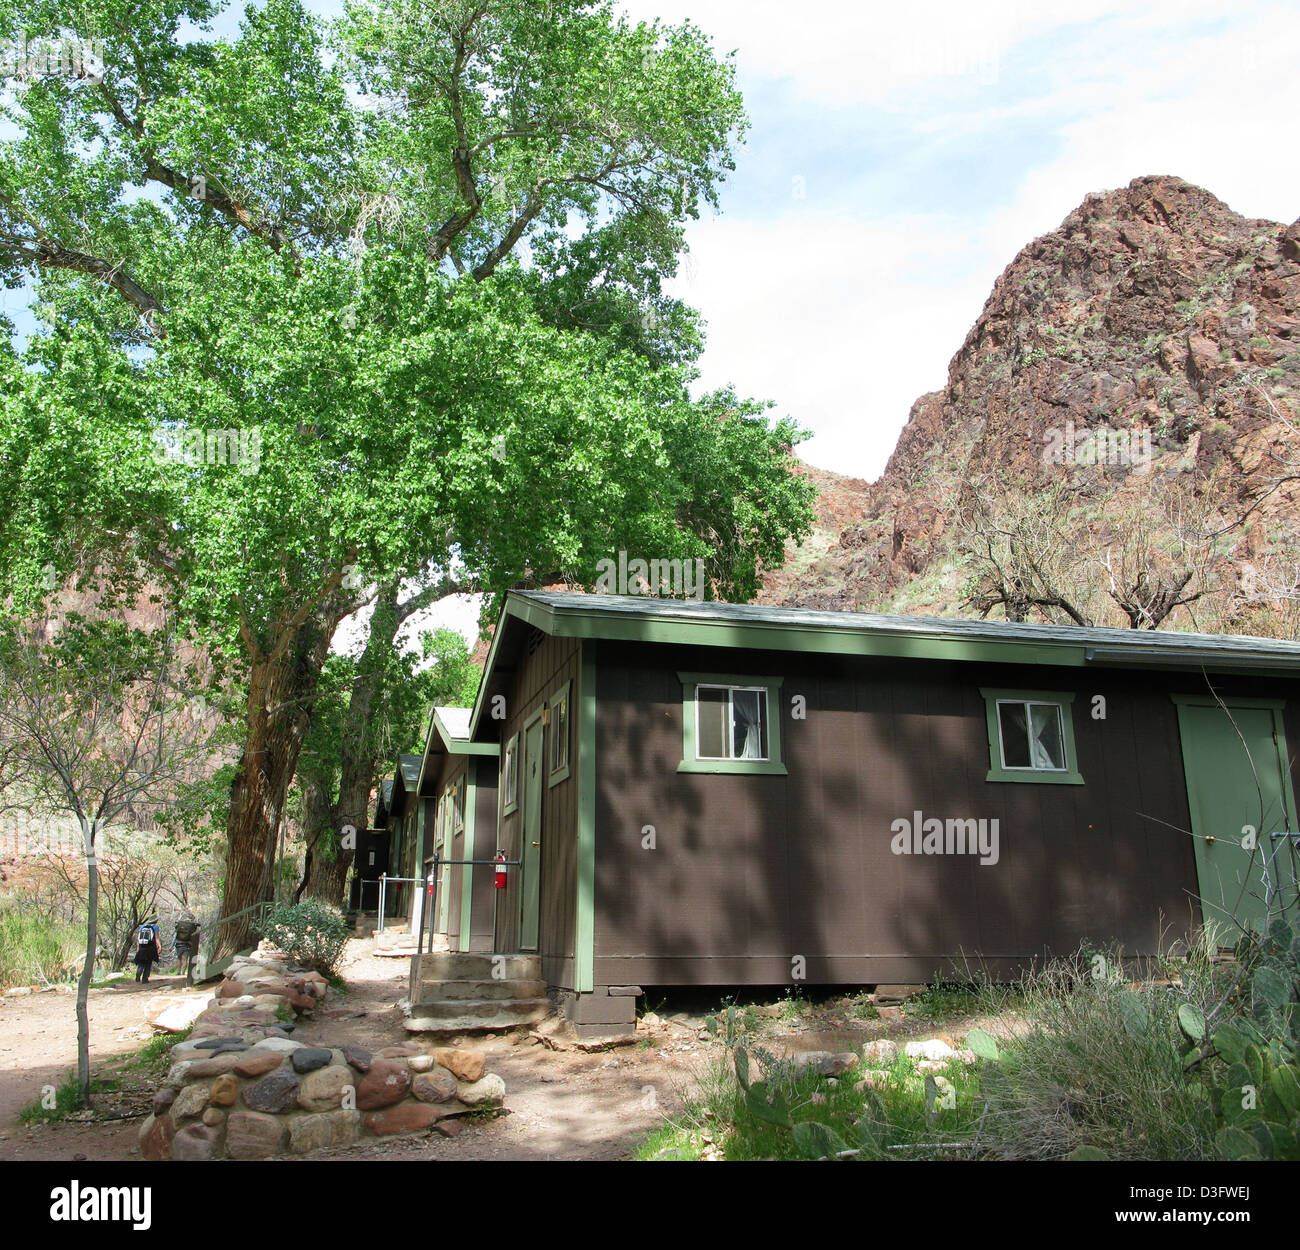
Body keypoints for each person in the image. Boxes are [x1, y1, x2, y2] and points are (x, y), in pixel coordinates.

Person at [173, 910, 200, 985]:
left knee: (179, 958)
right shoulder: (191, 928)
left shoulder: (180, 929)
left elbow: (175, 937)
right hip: (187, 944)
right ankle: (183, 972)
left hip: (178, 944)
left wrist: (172, 946)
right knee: (185, 959)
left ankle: (178, 971)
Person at [133, 917, 160, 983]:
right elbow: (156, 938)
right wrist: (159, 946)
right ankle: (145, 979)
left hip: (142, 947)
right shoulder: (155, 927)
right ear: (155, 921)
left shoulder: (142, 927)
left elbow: (138, 940)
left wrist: (138, 948)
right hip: (150, 947)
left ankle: (138, 975)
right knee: (148, 963)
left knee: (141, 962)